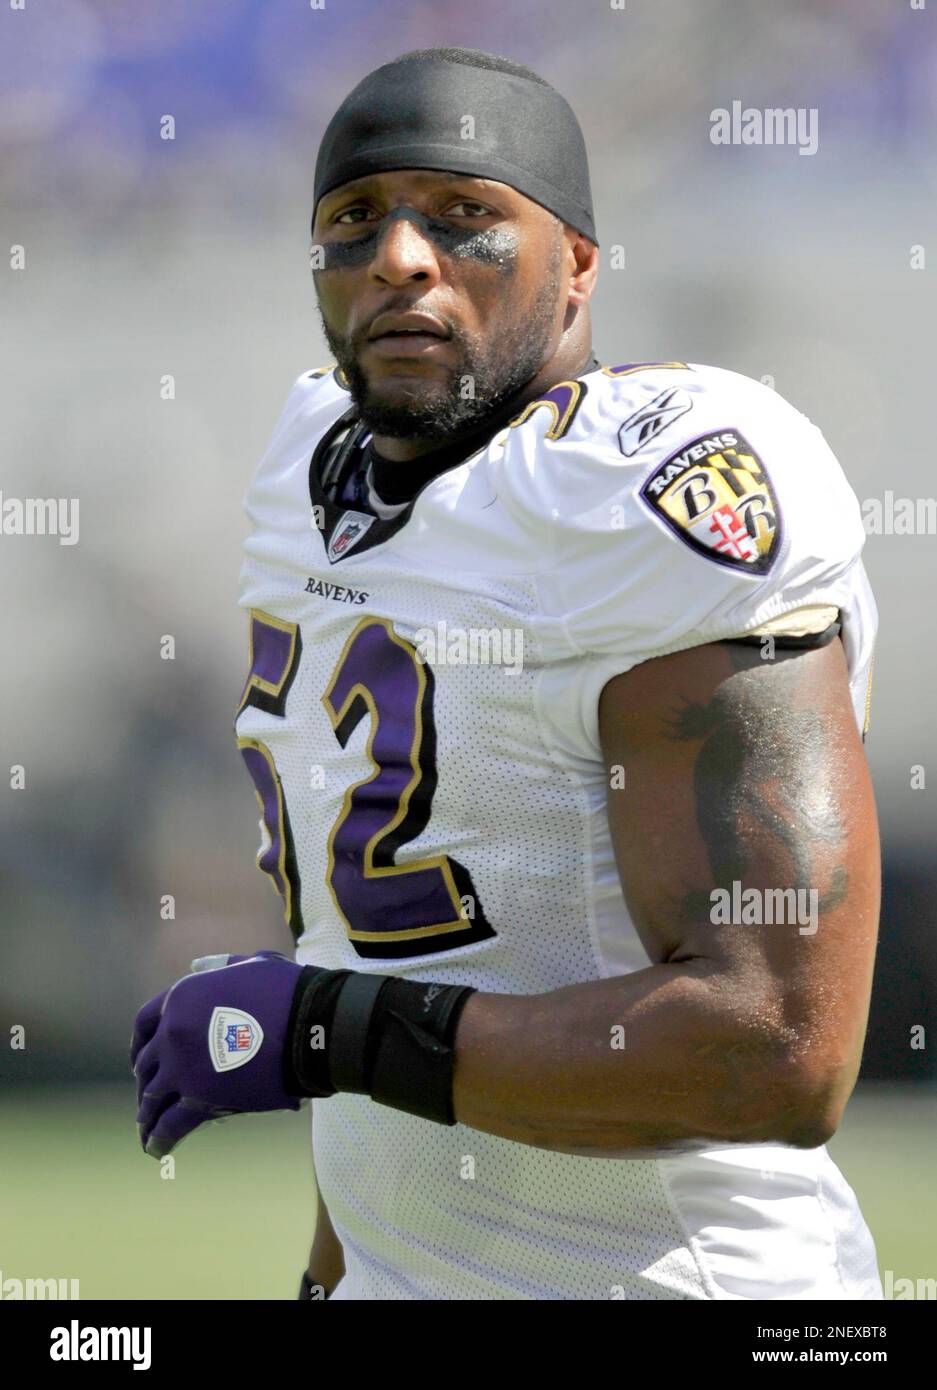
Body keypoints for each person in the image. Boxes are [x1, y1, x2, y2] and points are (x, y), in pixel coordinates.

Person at [131, 47, 882, 1301]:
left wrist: (325, 1030)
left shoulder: (647, 487)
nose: (400, 256)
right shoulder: (305, 471)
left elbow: (774, 1048)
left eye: (464, 214)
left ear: (577, 262)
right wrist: (337, 1266)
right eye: (353, 220)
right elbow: (376, 944)